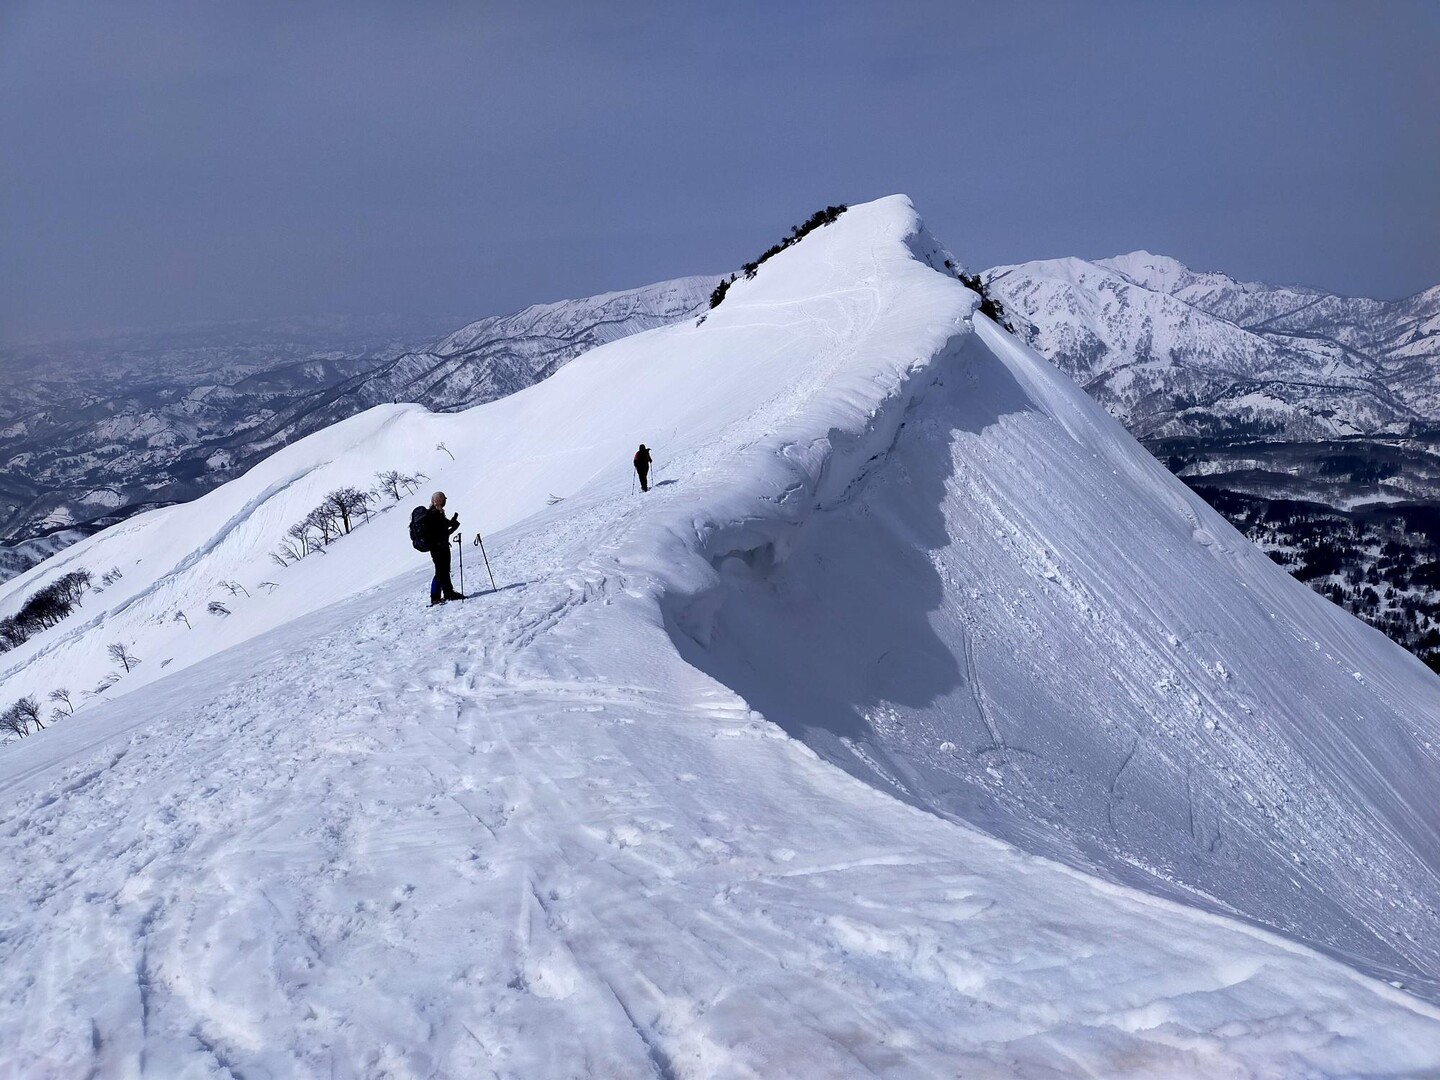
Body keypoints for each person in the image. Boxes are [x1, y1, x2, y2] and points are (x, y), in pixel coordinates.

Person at [422, 491, 464, 604]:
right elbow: (442, 532)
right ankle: (435, 597)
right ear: (440, 501)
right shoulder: (434, 514)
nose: (445, 502)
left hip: (441, 547)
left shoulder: (437, 513)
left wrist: (452, 523)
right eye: (443, 500)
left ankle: (448, 592)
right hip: (438, 548)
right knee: (440, 572)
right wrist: (453, 527)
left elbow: (445, 527)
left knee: (444, 570)